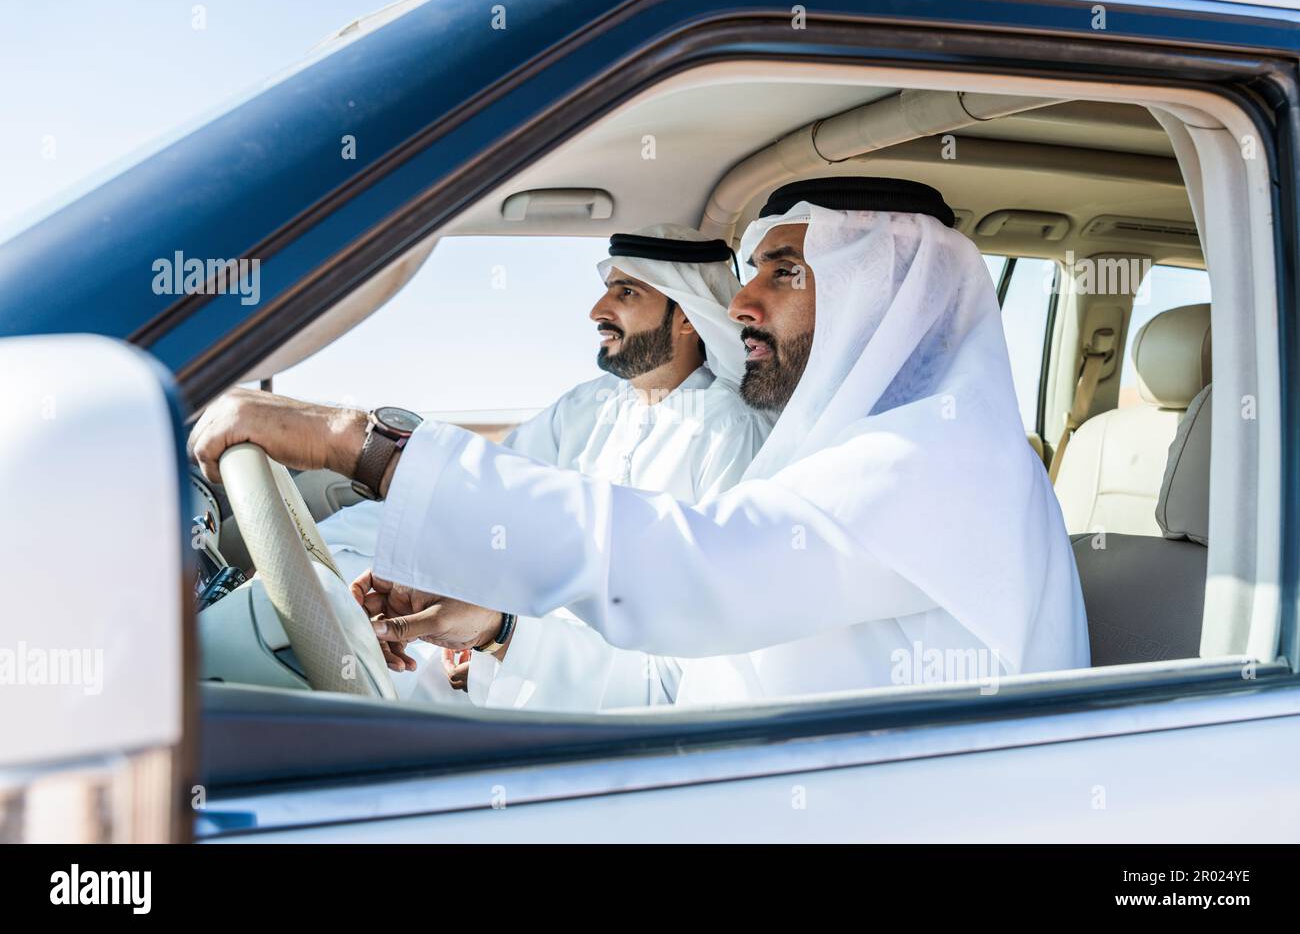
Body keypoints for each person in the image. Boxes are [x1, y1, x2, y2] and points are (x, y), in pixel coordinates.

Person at [191, 177, 1090, 708]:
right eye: (753, 273)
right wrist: (499, 627)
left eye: (787, 272)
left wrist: (361, 440)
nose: (744, 302)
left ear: (885, 301)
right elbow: (676, 686)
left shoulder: (938, 466)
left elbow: (686, 567)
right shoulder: (834, 463)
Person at [314, 224, 772, 703]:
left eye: (627, 291)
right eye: (606, 290)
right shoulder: (590, 406)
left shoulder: (730, 432)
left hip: (596, 699)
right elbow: (473, 495)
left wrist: (499, 638)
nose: (598, 311)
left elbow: (684, 664)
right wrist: (329, 545)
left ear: (687, 317)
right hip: (510, 658)